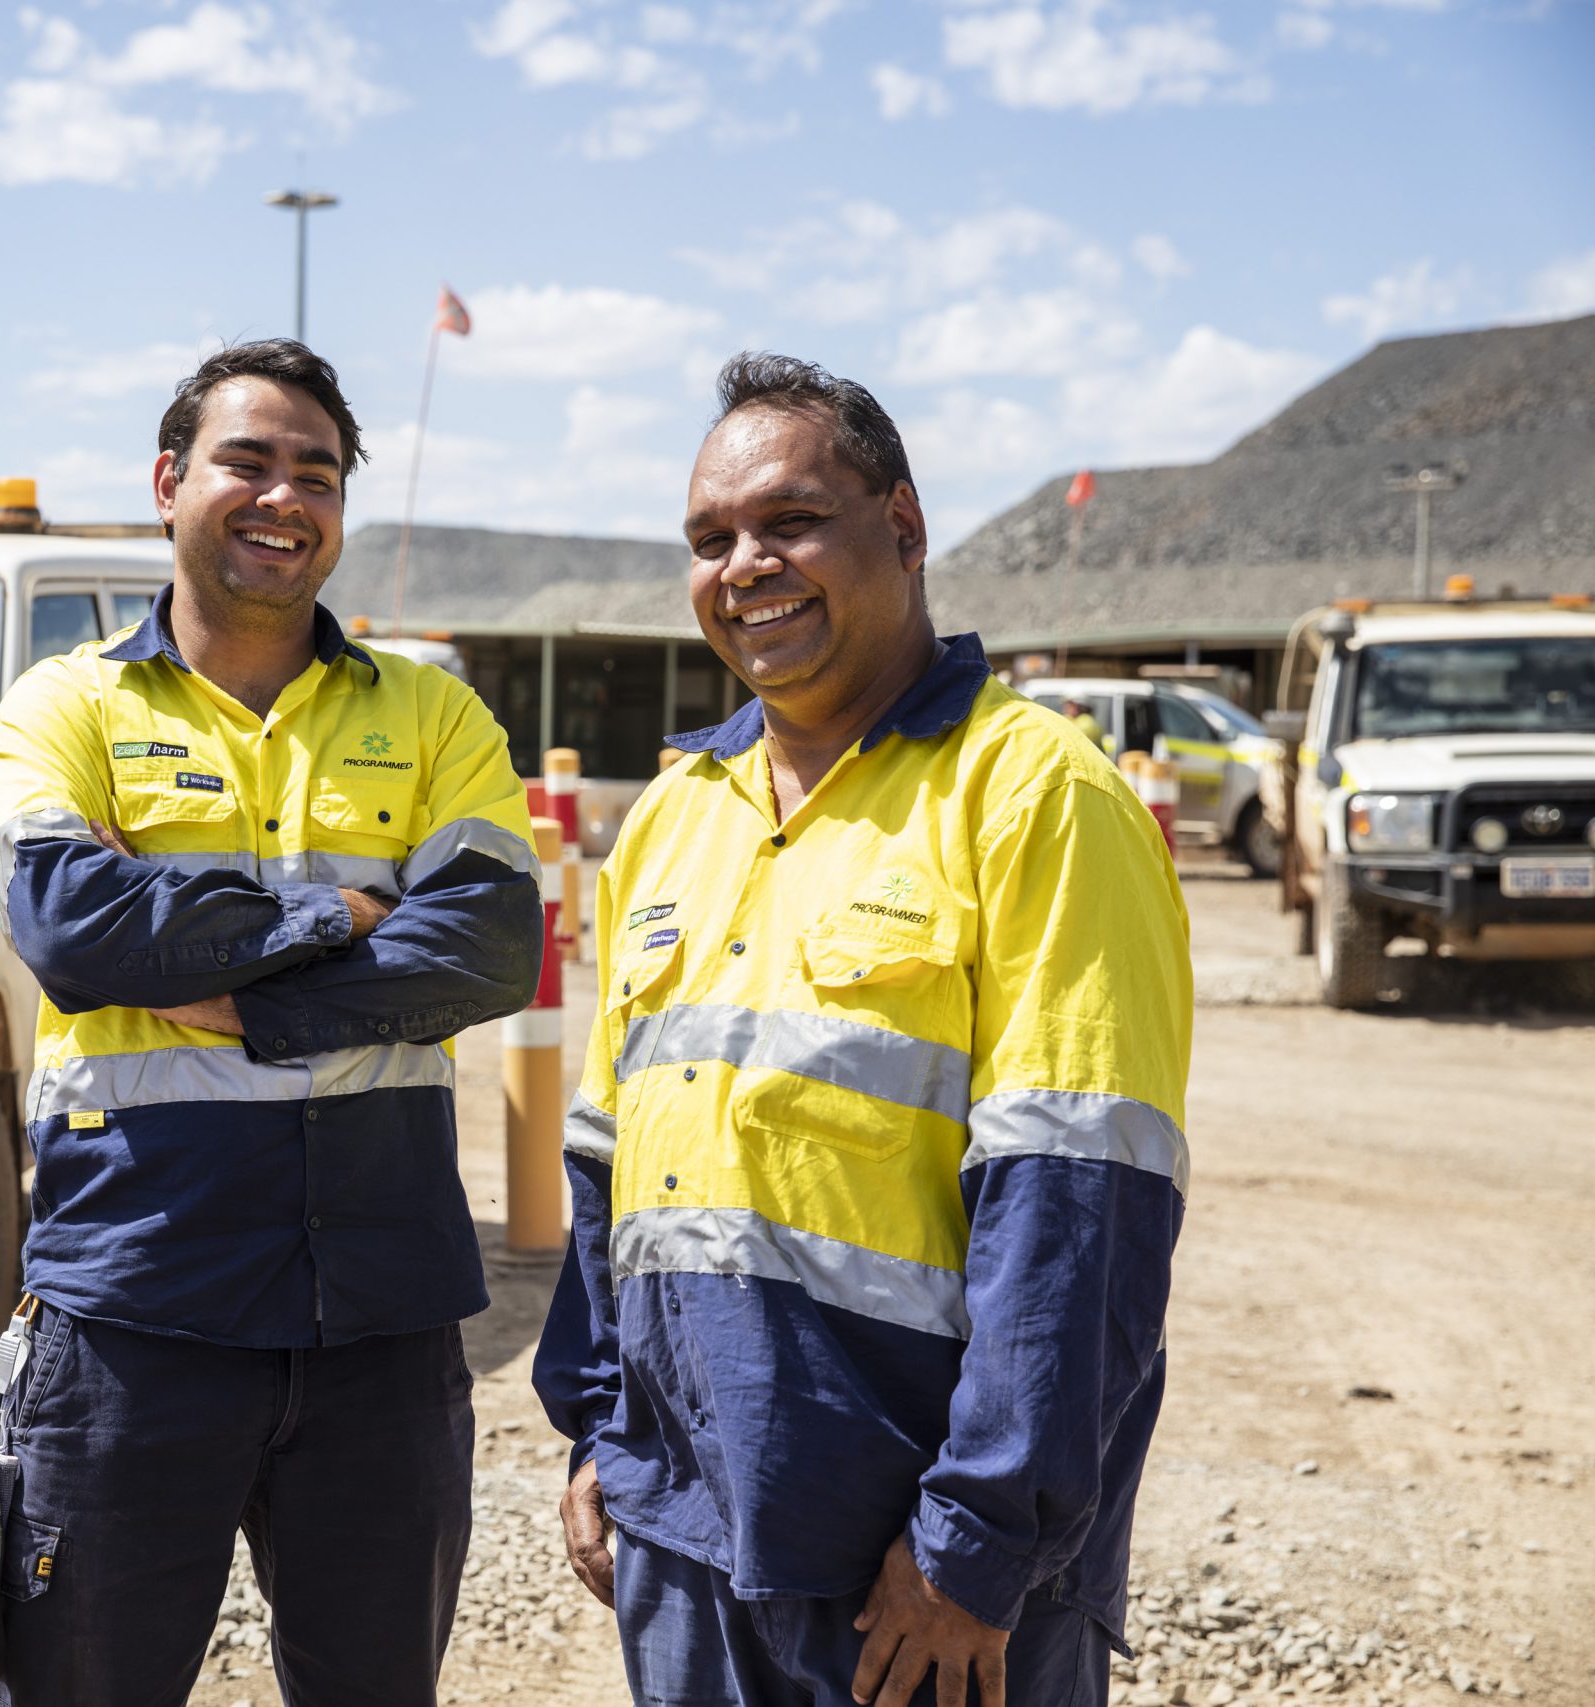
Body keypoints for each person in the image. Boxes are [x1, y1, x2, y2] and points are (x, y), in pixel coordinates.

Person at [533, 353, 1191, 1707]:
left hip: (914, 1567)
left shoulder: (1032, 797)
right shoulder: (671, 817)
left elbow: (1082, 1207)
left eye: (789, 521)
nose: (746, 565)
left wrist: (977, 1541)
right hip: (686, 1529)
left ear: (904, 526)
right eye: (710, 539)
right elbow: (610, 1169)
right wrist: (601, 1428)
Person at [0, 339, 543, 1705]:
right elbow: (71, 929)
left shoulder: (434, 712)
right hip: (134, 1310)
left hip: (382, 1324)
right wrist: (337, 918)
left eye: (318, 472)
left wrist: (211, 981)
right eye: (249, 461)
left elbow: (485, 946)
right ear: (171, 480)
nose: (283, 496)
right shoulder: (68, 709)